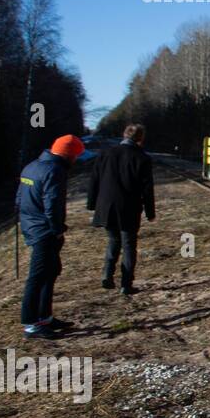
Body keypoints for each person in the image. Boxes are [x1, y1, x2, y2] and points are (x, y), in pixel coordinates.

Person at [17, 134, 85, 338]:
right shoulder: (55, 171)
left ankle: (45, 316)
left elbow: (19, 197)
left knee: (51, 271)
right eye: (76, 156)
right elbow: (53, 204)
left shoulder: (32, 166)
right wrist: (57, 230)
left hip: (32, 225)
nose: (76, 160)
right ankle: (31, 323)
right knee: (38, 276)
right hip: (45, 231)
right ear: (69, 155)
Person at [87, 123, 156, 295]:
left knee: (113, 240)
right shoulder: (142, 158)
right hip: (129, 208)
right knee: (129, 245)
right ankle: (126, 284)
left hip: (107, 206)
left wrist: (91, 203)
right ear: (140, 138)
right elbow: (147, 189)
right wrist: (150, 212)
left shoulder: (106, 153)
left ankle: (107, 274)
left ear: (124, 135)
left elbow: (94, 179)